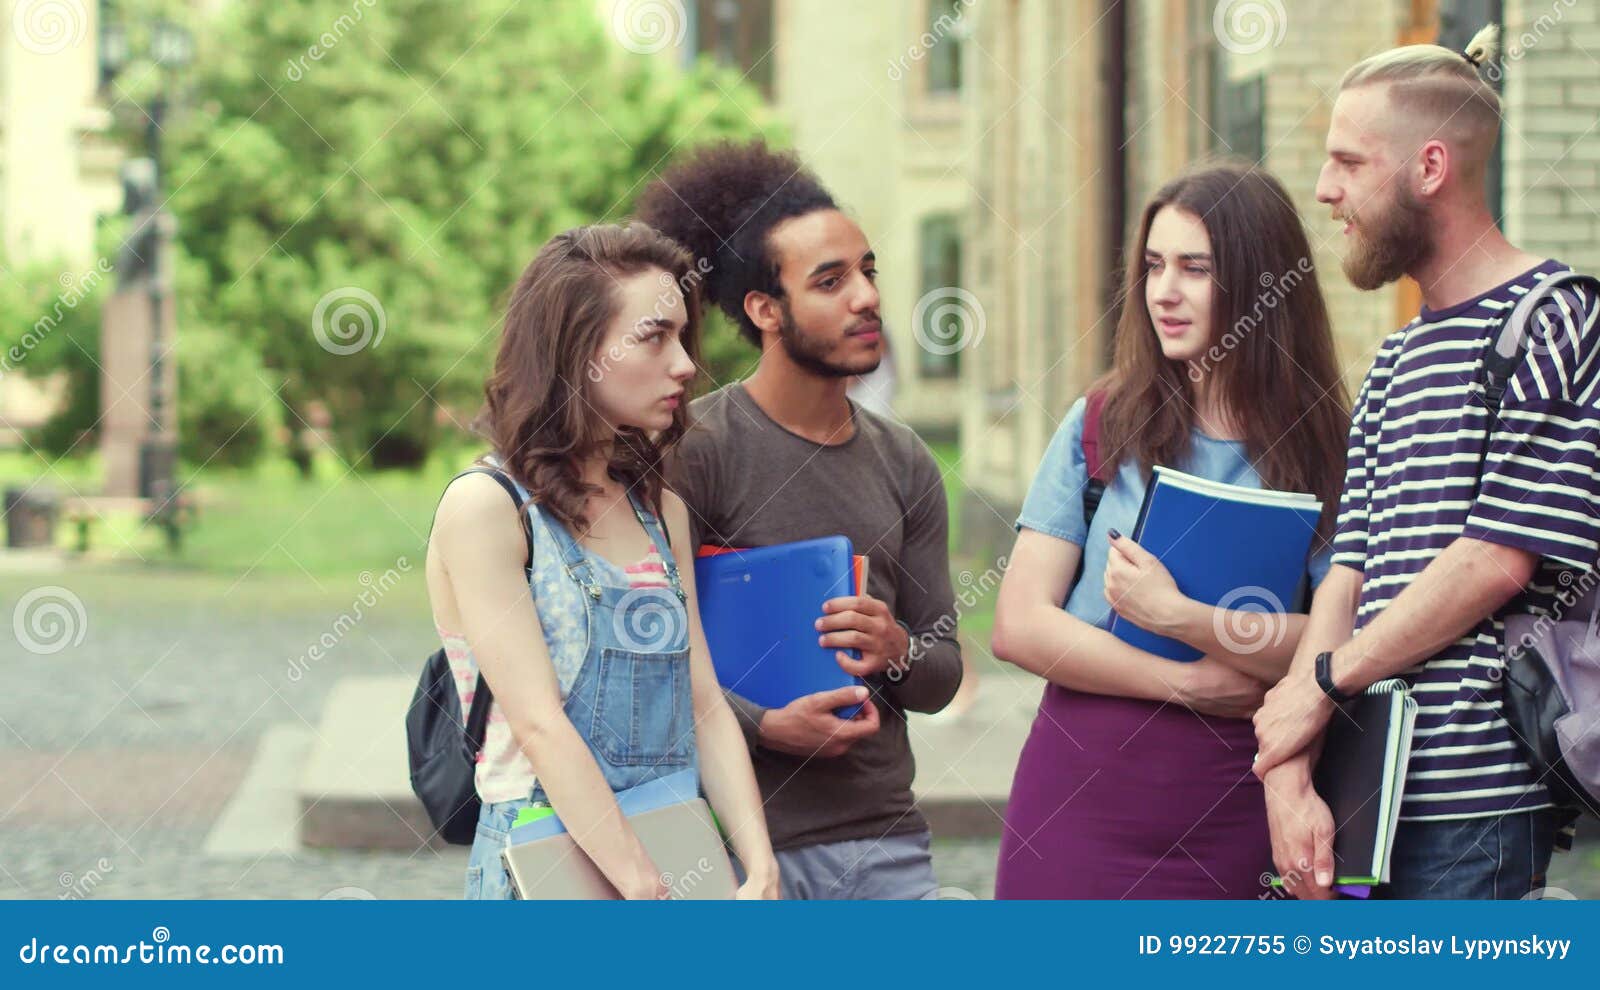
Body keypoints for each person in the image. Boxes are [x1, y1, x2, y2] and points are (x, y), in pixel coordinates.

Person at [1254, 25, 1600, 900]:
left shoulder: (1557, 320)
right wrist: (1290, 777)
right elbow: (1346, 577)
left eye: (1348, 162)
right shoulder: (1395, 361)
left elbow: (1494, 560)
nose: (1325, 191)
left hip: (1479, 813)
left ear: (1431, 168)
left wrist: (1323, 682)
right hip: (1361, 803)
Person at [990, 162, 1352, 899]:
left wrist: (1181, 618)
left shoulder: (1327, 448)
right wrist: (1187, 681)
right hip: (1078, 794)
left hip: (1240, 797)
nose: (1164, 291)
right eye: (1154, 266)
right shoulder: (1101, 422)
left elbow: (1335, 642)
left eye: (1195, 269)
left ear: (1259, 284)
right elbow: (1019, 625)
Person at [636, 140, 964, 900]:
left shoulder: (906, 460)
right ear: (764, 309)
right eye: (830, 281)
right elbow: (645, 656)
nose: (866, 298)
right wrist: (761, 726)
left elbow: (943, 676)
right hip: (732, 846)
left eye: (868, 271)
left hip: (884, 841)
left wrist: (896, 649)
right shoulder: (696, 452)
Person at [425, 223, 779, 900]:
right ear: (575, 349)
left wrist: (757, 861)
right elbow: (537, 723)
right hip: (548, 868)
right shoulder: (489, 509)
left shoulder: (660, 510)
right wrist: (639, 883)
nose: (684, 364)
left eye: (683, 337)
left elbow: (703, 702)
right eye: (653, 337)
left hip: (678, 854)